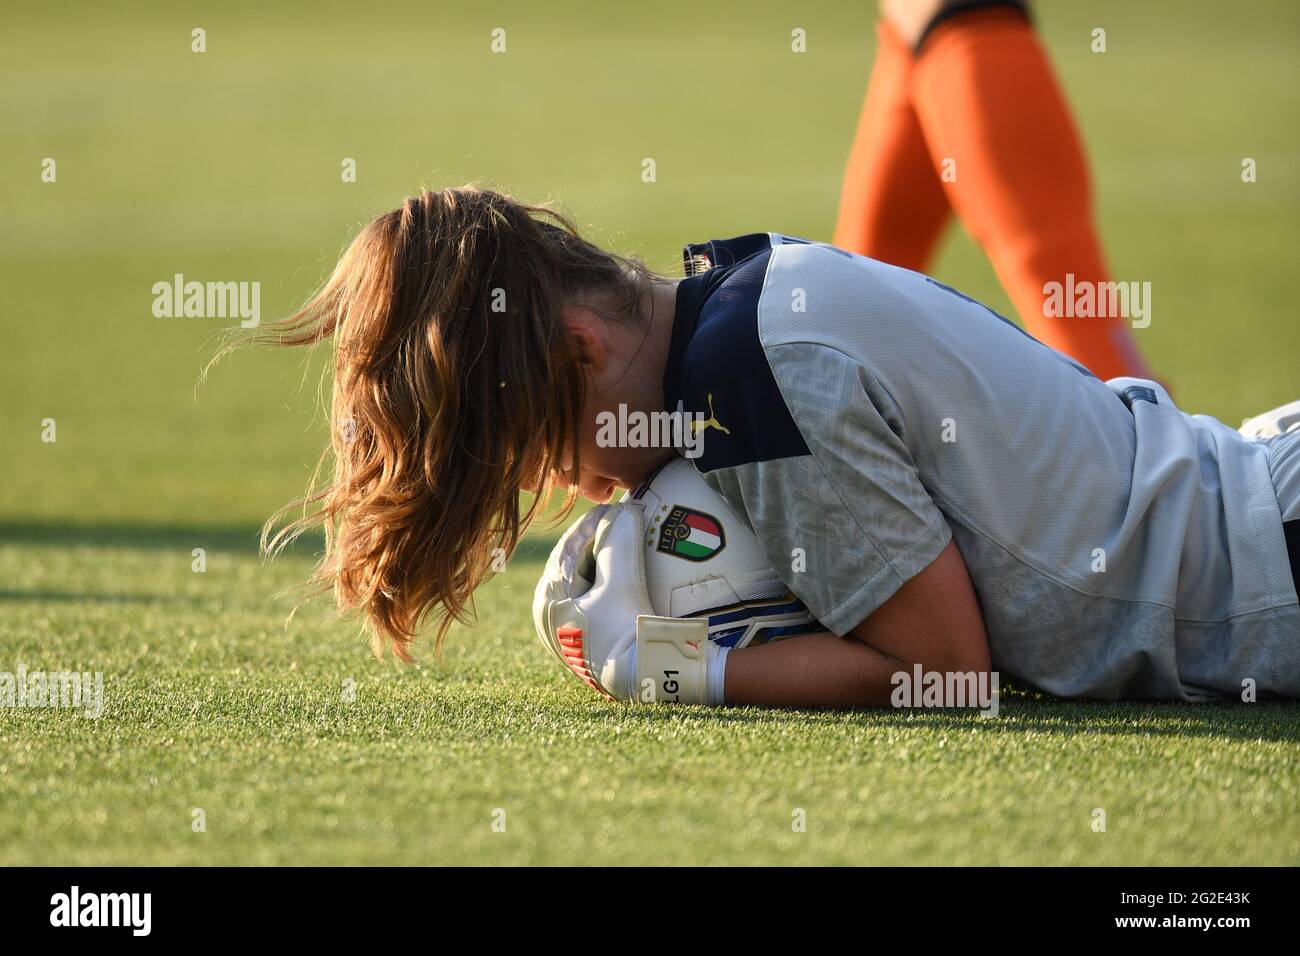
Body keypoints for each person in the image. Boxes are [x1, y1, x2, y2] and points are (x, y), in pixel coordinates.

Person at [260, 187, 1300, 706]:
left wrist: (675, 662)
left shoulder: (743, 385)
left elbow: (946, 668)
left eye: (534, 447)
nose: (554, 484)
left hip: (1269, 565)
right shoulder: (738, 299)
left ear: (581, 348)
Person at [834, 0, 1155, 382]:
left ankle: (1145, 428)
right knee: (851, 313)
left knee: (1060, 289)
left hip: (962, 39)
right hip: (922, 48)